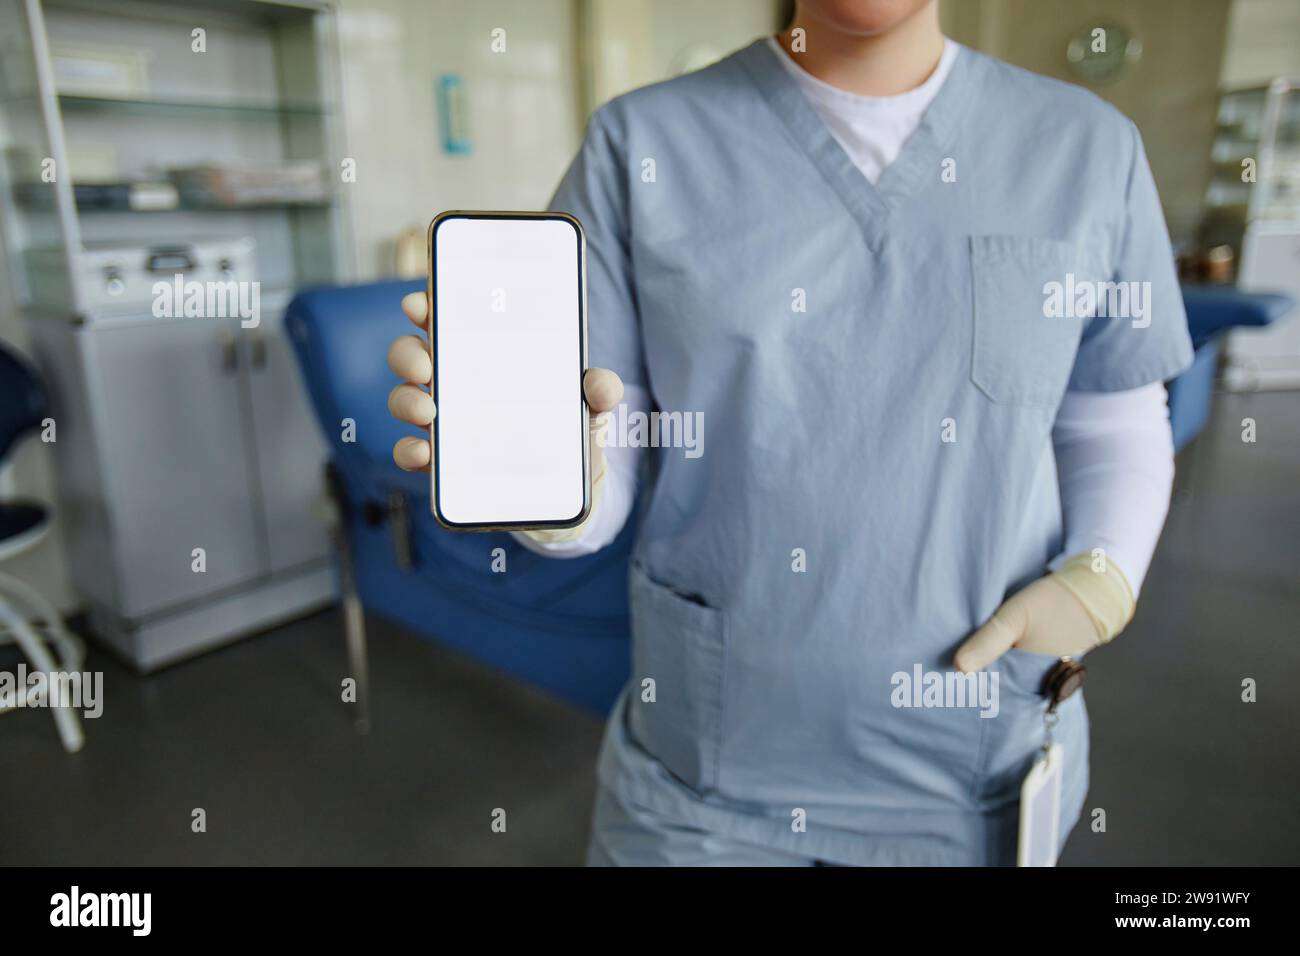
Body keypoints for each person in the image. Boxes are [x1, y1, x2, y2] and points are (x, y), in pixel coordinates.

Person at [386, 0, 1192, 865]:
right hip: (704, 795)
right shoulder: (642, 144)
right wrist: (561, 493)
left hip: (974, 782)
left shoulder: (1087, 149)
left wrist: (1101, 580)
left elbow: (1111, 413)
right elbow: (608, 434)